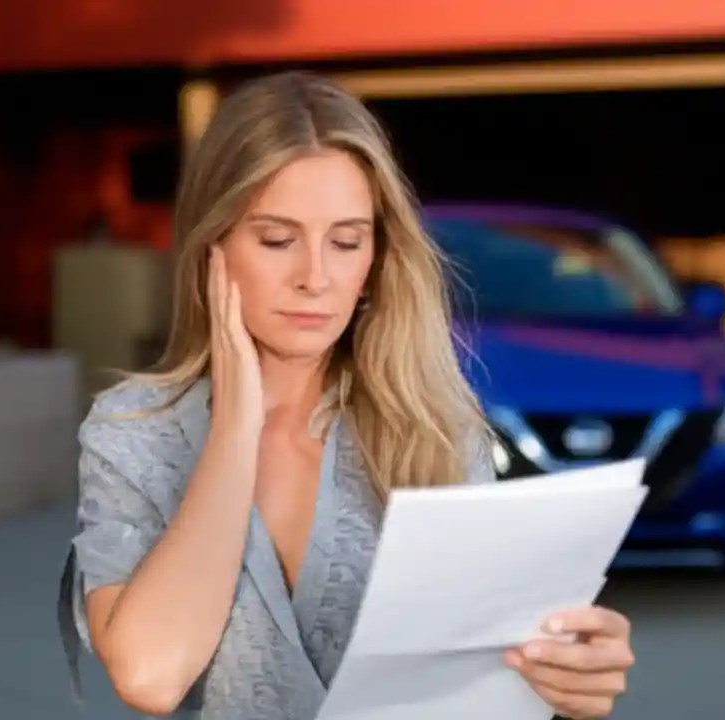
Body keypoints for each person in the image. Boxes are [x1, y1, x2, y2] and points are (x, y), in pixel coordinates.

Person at [56, 71, 636, 719]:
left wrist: (565, 681)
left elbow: (476, 688)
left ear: (375, 260)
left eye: (346, 241)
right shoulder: (133, 431)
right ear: (211, 249)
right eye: (277, 239)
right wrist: (237, 426)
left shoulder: (437, 431)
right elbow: (150, 677)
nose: (315, 277)